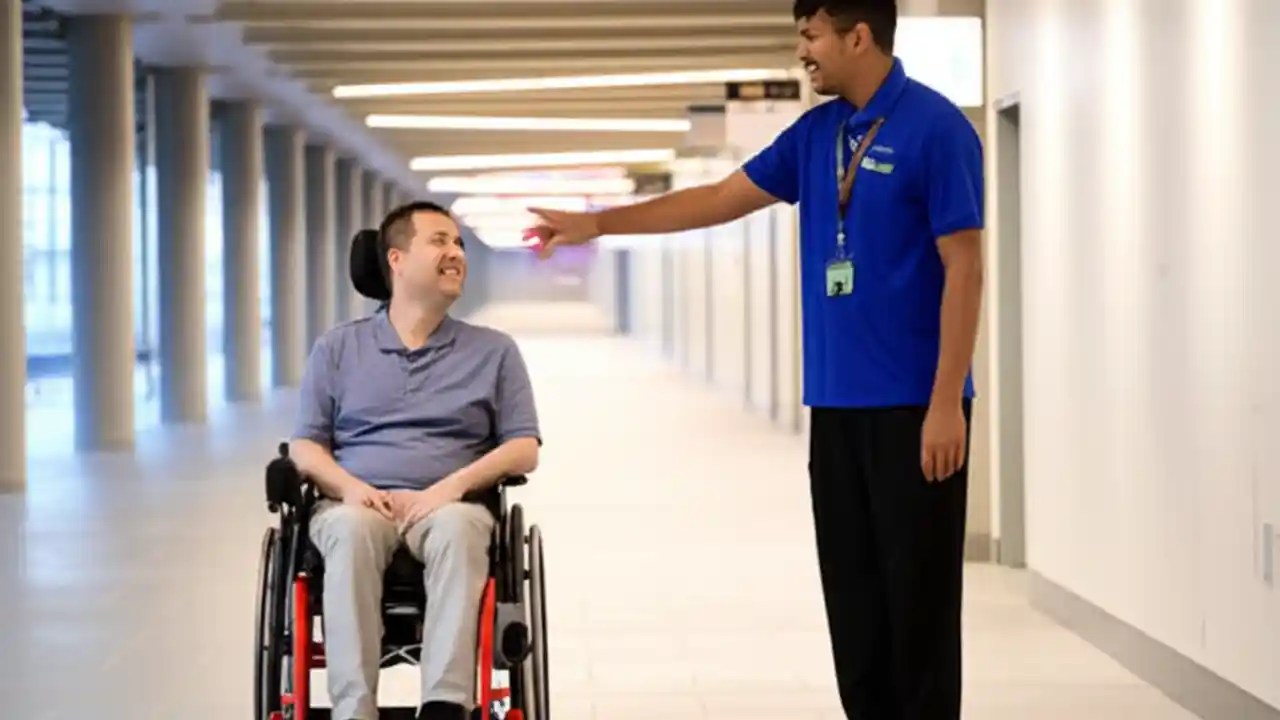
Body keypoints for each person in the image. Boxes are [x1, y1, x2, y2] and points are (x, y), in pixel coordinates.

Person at [523, 1, 984, 717]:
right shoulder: (816, 134)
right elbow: (714, 199)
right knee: (856, 607)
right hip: (834, 406)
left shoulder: (937, 128)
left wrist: (946, 398)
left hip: (914, 409)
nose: (802, 51)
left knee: (918, 610)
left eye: (811, 36)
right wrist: (597, 222)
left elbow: (965, 267)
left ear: (857, 36)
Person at [290, 201, 542, 720]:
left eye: (459, 245)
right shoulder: (338, 348)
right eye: (440, 241)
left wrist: (450, 488)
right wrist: (350, 487)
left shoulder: (493, 351)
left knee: (458, 528)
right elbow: (305, 446)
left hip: (450, 505)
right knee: (351, 530)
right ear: (396, 260)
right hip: (361, 501)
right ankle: (353, 709)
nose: (455, 254)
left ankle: (446, 705)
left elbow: (523, 447)